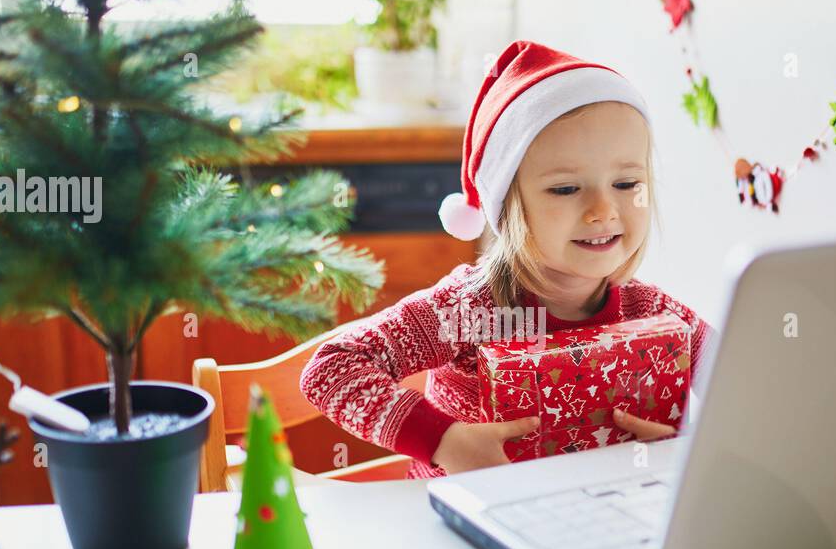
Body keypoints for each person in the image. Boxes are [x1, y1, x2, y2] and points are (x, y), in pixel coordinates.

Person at [300, 40, 711, 477]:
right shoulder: (469, 310)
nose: (604, 211)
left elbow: (746, 378)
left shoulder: (648, 312)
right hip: (461, 523)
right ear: (508, 206)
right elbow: (330, 368)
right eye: (566, 189)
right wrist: (443, 440)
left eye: (627, 184)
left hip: (594, 523)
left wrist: (687, 441)